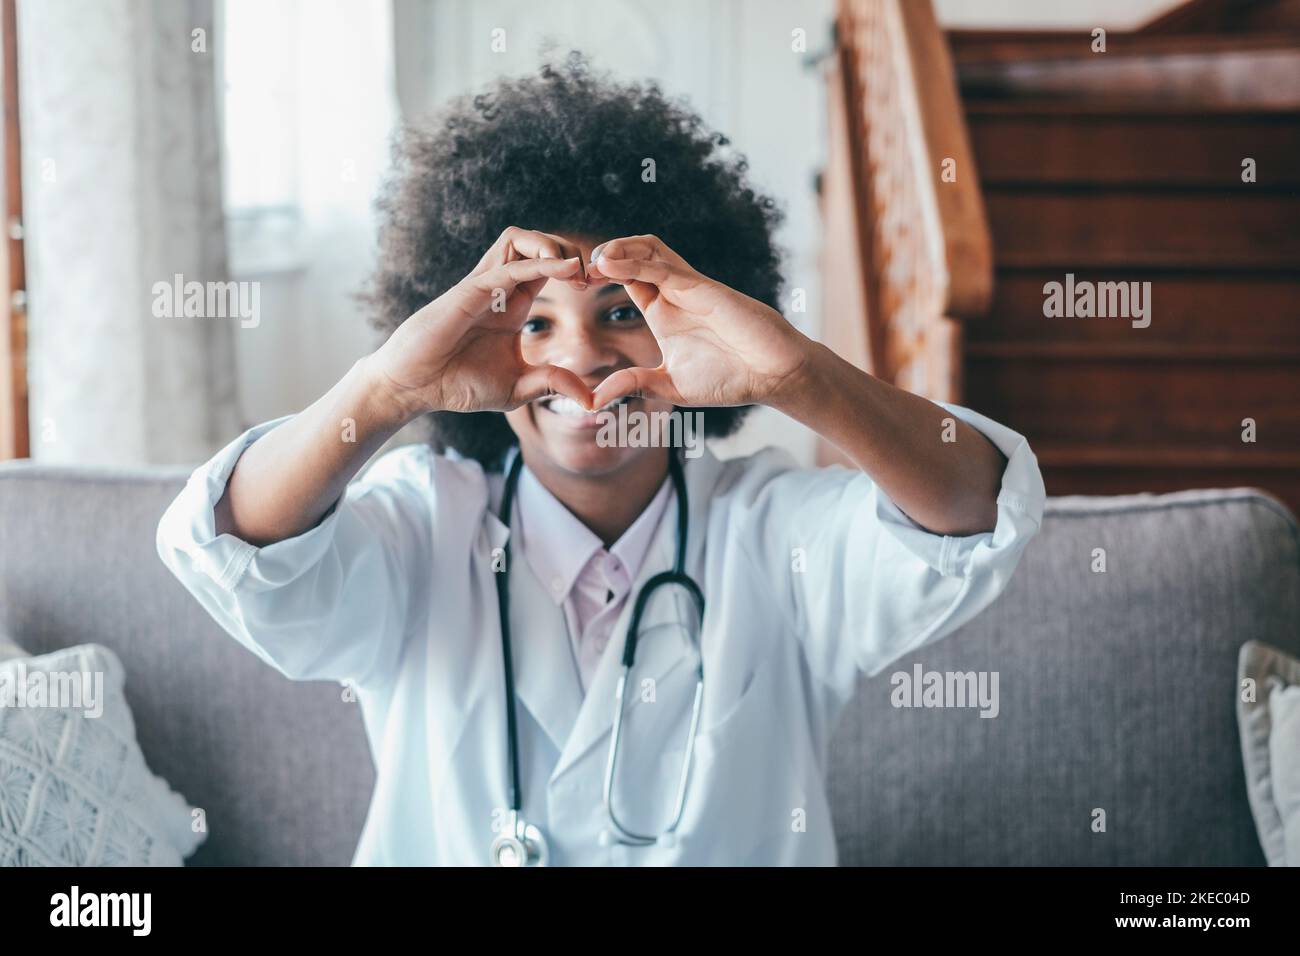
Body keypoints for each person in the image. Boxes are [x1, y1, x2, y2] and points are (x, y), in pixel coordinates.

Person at [156, 52, 1045, 865]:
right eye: (532, 322)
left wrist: (794, 375)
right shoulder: (423, 524)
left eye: (621, 312)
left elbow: (973, 514)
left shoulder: (774, 530)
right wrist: (389, 388)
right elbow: (238, 545)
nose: (579, 360)